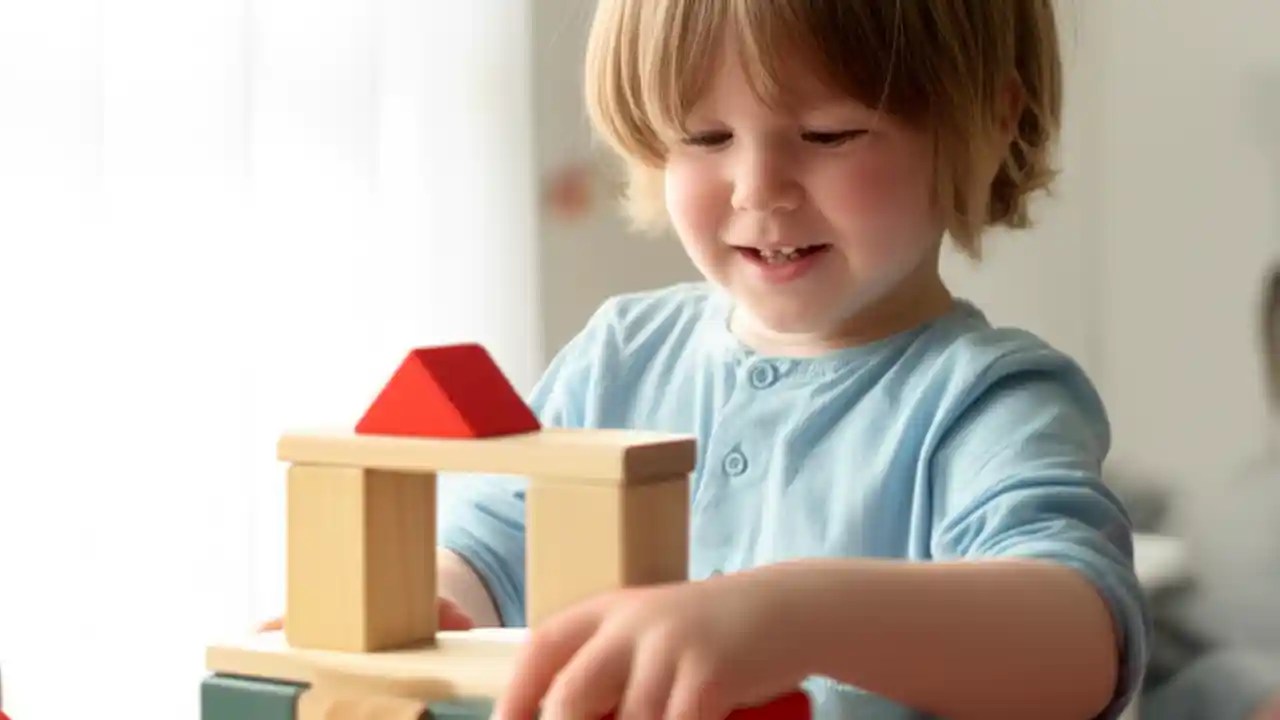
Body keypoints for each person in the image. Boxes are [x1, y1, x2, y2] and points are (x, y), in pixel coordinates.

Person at [270, 2, 1149, 718]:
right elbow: (493, 550)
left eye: (832, 133)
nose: (758, 187)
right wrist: (416, 607)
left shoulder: (987, 400)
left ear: (993, 120)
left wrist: (789, 617)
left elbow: (1083, 642)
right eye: (704, 136)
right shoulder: (621, 355)